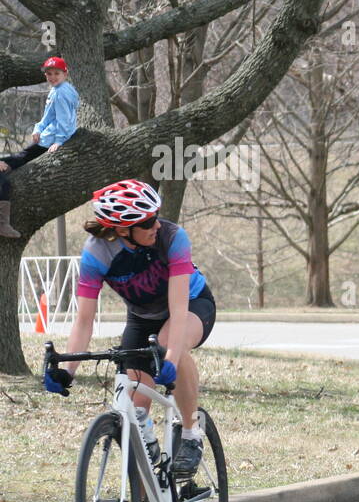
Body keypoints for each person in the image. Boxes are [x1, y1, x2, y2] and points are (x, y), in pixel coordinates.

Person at [46, 180, 216, 475]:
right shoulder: (96, 255)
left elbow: (177, 311)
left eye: (156, 216)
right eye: (148, 221)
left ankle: (191, 433)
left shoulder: (173, 238)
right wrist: (67, 370)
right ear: (123, 229)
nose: (157, 226)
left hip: (191, 305)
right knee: (135, 407)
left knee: (167, 344)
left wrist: (172, 360)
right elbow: (84, 320)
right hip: (142, 318)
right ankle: (150, 482)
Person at [0, 56, 79, 238]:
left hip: (50, 141)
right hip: (46, 137)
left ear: (65, 74)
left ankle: (2, 221)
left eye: (56, 73)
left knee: (19, 159)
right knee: (18, 159)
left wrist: (58, 141)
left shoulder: (61, 93)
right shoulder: (57, 90)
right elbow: (49, 117)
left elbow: (64, 121)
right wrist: (38, 128)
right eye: (49, 74)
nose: (52, 77)